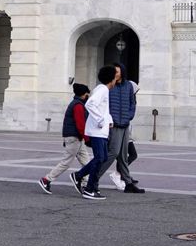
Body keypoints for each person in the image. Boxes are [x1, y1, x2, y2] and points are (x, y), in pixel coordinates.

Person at [72, 66, 117, 200]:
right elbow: (90, 104)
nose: (116, 80)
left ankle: (79, 176)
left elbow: (103, 109)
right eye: (115, 77)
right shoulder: (102, 89)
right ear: (111, 79)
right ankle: (89, 189)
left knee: (102, 158)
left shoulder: (103, 89)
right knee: (99, 159)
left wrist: (108, 120)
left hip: (100, 130)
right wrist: (101, 120)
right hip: (97, 130)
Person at [38, 83, 92, 194]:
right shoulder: (78, 105)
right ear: (83, 94)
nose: (88, 96)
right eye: (87, 94)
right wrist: (87, 139)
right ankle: (46, 179)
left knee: (86, 161)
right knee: (66, 162)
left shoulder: (77, 104)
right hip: (75, 137)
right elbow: (80, 125)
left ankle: (86, 183)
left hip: (76, 138)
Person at [100, 63, 144, 193]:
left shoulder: (129, 86)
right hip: (114, 125)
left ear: (122, 73)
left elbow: (132, 103)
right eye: (114, 71)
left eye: (117, 71)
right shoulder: (107, 86)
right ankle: (93, 178)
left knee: (124, 156)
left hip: (125, 123)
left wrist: (129, 116)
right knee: (113, 153)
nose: (115, 73)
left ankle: (128, 183)